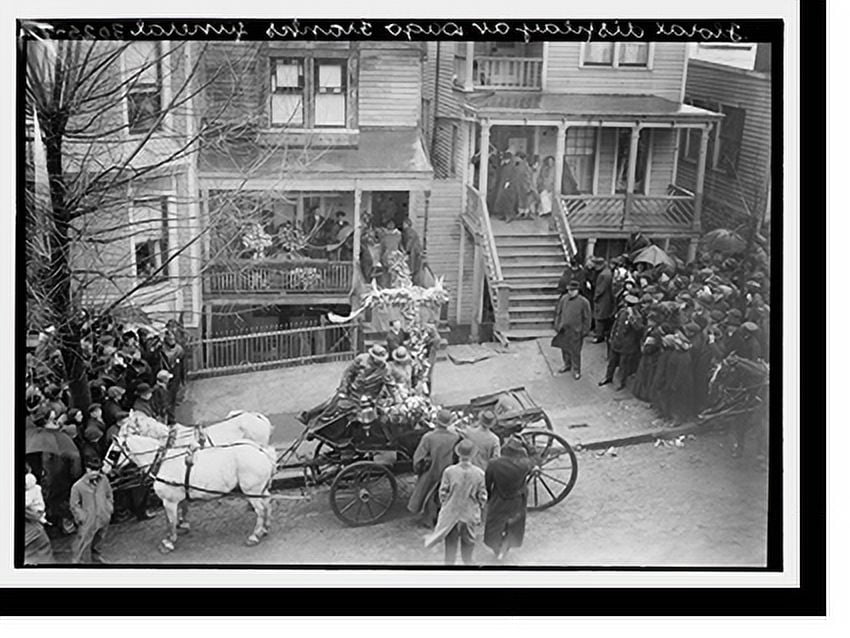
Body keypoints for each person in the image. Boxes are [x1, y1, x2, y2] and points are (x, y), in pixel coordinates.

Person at [423, 438, 488, 565]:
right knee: (468, 544)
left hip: (452, 514)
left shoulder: (449, 471)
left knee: (450, 546)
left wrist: (446, 505)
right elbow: (483, 495)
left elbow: (442, 492)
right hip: (469, 513)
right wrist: (479, 506)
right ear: (473, 455)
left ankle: (449, 572)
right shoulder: (479, 473)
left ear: (458, 453)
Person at [408, 409, 462, 528]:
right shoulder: (455, 436)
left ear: (436, 422)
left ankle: (429, 520)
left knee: (429, 494)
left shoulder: (428, 437)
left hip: (431, 470)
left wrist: (418, 468)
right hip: (448, 469)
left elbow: (418, 457)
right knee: (444, 495)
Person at [484, 437, 533, 561]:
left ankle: (496, 548)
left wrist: (489, 497)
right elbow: (535, 458)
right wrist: (527, 444)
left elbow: (488, 483)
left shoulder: (494, 464)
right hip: (517, 498)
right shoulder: (524, 464)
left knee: (495, 524)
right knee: (513, 524)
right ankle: (505, 547)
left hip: (499, 498)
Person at [69, 457, 114, 564]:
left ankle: (96, 557)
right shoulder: (77, 486)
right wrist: (82, 517)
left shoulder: (104, 480)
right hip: (88, 520)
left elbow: (109, 494)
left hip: (103, 517)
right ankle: (78, 561)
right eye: (92, 470)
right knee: (83, 543)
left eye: (97, 470)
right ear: (87, 469)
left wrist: (109, 508)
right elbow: (74, 505)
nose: (95, 473)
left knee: (99, 540)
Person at [599, 295, 644, 390]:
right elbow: (616, 324)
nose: (628, 308)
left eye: (630, 306)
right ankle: (608, 377)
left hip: (627, 345)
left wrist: (632, 318)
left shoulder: (638, 317)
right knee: (612, 361)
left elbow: (639, 329)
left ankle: (621, 382)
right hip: (617, 341)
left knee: (624, 365)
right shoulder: (622, 312)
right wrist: (612, 336)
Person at [551, 280, 592, 380]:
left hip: (576, 331)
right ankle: (567, 364)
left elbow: (587, 318)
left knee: (575, 352)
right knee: (564, 348)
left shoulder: (584, 302)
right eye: (569, 290)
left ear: (578, 290)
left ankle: (577, 370)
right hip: (564, 330)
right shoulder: (564, 299)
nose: (570, 292)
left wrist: (585, 331)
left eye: (573, 290)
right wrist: (557, 324)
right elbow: (558, 312)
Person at [592, 257, 615, 343]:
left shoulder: (604, 275)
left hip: (602, 299)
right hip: (606, 299)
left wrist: (595, 297)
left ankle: (599, 336)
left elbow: (600, 289)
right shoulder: (607, 272)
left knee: (599, 318)